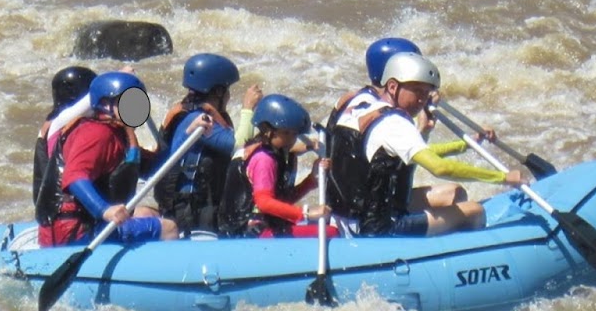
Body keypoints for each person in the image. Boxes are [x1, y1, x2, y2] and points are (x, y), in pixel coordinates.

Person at [334, 53, 527, 237]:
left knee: (454, 193)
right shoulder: (395, 124)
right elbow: (440, 168)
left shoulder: (363, 105)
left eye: (427, 93)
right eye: (416, 91)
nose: (422, 100)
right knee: (475, 211)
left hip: (351, 213)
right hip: (378, 227)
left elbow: (416, 152)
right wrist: (503, 178)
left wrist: (465, 144)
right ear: (393, 87)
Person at [36, 71, 194, 247]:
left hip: (79, 225)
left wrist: (186, 135)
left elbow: (155, 167)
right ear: (105, 104)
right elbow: (74, 177)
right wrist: (105, 210)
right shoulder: (97, 134)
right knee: (169, 228)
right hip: (76, 232)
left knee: (149, 215)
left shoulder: (117, 134)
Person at [153, 52, 261, 235]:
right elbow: (239, 148)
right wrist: (248, 109)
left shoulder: (198, 114)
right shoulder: (197, 120)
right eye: (226, 90)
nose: (228, 96)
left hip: (202, 206)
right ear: (217, 91)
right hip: (190, 210)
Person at [325, 36, 421, 217]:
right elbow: (406, 163)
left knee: (451, 193)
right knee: (453, 194)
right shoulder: (384, 116)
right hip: (369, 210)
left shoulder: (351, 99)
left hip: (343, 202)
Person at [218, 94, 329, 238]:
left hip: (256, 228)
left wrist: (310, 182)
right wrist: (306, 213)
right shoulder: (264, 159)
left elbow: (280, 202)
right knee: (330, 232)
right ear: (268, 130)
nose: (291, 139)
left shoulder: (271, 153)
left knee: (325, 226)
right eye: (286, 133)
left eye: (294, 134)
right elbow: (264, 203)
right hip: (247, 233)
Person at [32, 65, 96, 202]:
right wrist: (121, 77)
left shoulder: (56, 122)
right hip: (64, 207)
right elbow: (94, 97)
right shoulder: (59, 122)